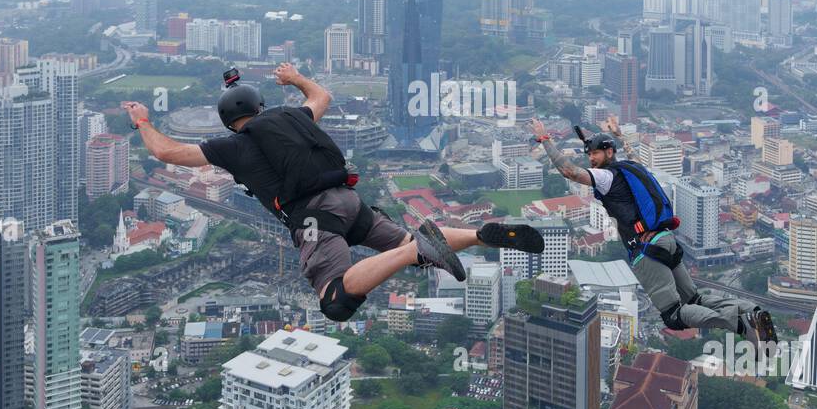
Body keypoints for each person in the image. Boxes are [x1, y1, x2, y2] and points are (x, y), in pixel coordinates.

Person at [122, 62, 544, 323]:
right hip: (349, 201)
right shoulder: (294, 115)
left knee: (336, 300)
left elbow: (167, 152)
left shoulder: (233, 145)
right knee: (401, 241)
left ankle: (419, 250)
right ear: (260, 106)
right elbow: (323, 95)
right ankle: (478, 235)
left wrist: (142, 119)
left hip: (313, 216)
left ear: (230, 121)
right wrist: (294, 78)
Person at [532, 115, 776, 347]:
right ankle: (750, 310)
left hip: (646, 250)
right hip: (666, 240)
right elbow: (633, 153)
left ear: (608, 152)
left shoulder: (608, 177)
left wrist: (545, 140)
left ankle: (741, 324)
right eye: (589, 155)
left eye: (595, 153)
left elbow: (570, 172)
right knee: (694, 299)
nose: (591, 159)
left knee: (673, 315)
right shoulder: (632, 168)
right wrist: (620, 135)